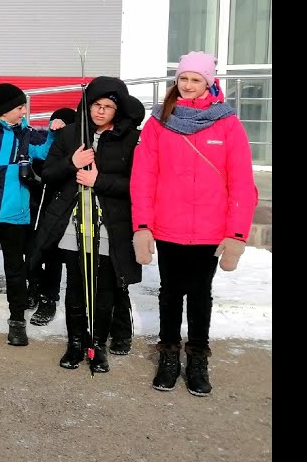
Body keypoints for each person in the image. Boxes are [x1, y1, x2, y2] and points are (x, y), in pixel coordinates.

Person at [132, 52, 257, 396]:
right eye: (183, 79)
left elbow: (242, 183)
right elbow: (144, 176)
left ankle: (198, 358)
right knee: (170, 293)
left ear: (209, 82)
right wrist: (142, 225)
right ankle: (169, 355)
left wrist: (236, 234)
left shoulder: (227, 123)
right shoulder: (159, 121)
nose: (187, 85)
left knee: (200, 294)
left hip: (210, 229)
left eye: (195, 80)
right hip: (168, 225)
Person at [34, 78, 145, 373]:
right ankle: (75, 344)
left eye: (108, 107)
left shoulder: (130, 139)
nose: (101, 111)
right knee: (75, 288)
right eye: (97, 105)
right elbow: (48, 173)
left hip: (110, 226)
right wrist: (71, 162)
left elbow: (140, 185)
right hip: (74, 224)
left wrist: (100, 182)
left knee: (105, 290)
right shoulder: (72, 134)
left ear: (117, 110)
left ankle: (98, 346)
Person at [0, 83, 65, 347]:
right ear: (5, 110)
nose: (24, 112)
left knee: (15, 269)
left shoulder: (27, 134)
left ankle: (17, 320)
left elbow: (45, 152)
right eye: (19, 107)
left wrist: (54, 133)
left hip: (15, 212)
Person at [28, 107, 79, 327]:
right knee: (33, 252)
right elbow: (41, 167)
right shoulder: (46, 144)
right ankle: (33, 287)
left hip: (66, 210)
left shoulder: (80, 148)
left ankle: (49, 298)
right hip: (38, 208)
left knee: (54, 256)